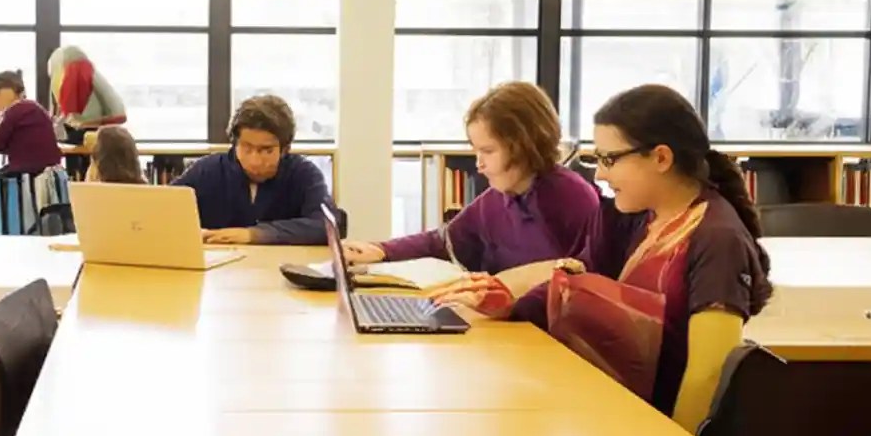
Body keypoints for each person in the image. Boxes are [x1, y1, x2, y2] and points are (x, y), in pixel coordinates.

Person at [433, 84, 773, 432]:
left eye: (609, 160)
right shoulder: (628, 217)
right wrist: (509, 305)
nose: (600, 174)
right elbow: (576, 278)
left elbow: (708, 376)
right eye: (596, 160)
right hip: (611, 408)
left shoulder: (717, 239)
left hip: (654, 432)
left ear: (661, 158)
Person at [343, 82, 599, 273]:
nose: (479, 164)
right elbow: (442, 241)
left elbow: (589, 279)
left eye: (487, 151)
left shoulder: (571, 198)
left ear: (524, 144)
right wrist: (381, 250)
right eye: (476, 151)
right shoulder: (497, 199)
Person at [171, 95, 335, 246]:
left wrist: (255, 234)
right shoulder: (207, 169)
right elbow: (161, 208)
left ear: (285, 149)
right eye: (246, 148)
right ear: (234, 143)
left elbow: (325, 226)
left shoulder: (304, 174)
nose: (254, 161)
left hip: (277, 269)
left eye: (266, 150)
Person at [47, 45, 126, 145]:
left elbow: (116, 108)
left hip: (91, 129)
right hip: (73, 128)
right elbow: (56, 107)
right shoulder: (59, 80)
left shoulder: (86, 73)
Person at [0, 70, 62, 173]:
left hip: (26, 174)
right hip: (52, 172)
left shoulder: (13, 112)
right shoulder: (36, 108)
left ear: (0, 94)